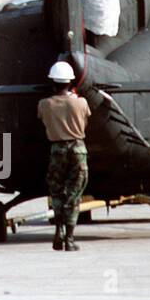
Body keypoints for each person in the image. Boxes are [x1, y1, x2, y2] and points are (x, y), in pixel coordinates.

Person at [37, 60, 91, 252]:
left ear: (53, 82)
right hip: (77, 150)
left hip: (56, 151)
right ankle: (69, 238)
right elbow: (86, 118)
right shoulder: (82, 102)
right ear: (71, 82)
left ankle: (58, 234)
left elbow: (42, 120)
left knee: (57, 194)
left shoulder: (44, 104)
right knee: (74, 195)